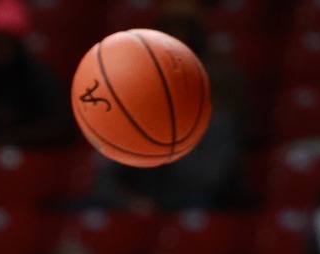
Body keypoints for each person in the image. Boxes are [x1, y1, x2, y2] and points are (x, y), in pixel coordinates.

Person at [87, 0, 247, 212]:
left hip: (190, 202)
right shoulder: (139, 115)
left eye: (183, 27)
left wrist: (169, 146)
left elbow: (210, 179)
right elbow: (106, 179)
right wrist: (131, 202)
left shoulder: (216, 118)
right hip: (142, 203)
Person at [0, 0, 73, 149]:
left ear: (17, 43)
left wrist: (14, 138)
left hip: (33, 157)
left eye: (5, 42)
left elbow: (58, 125)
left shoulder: (39, 77)